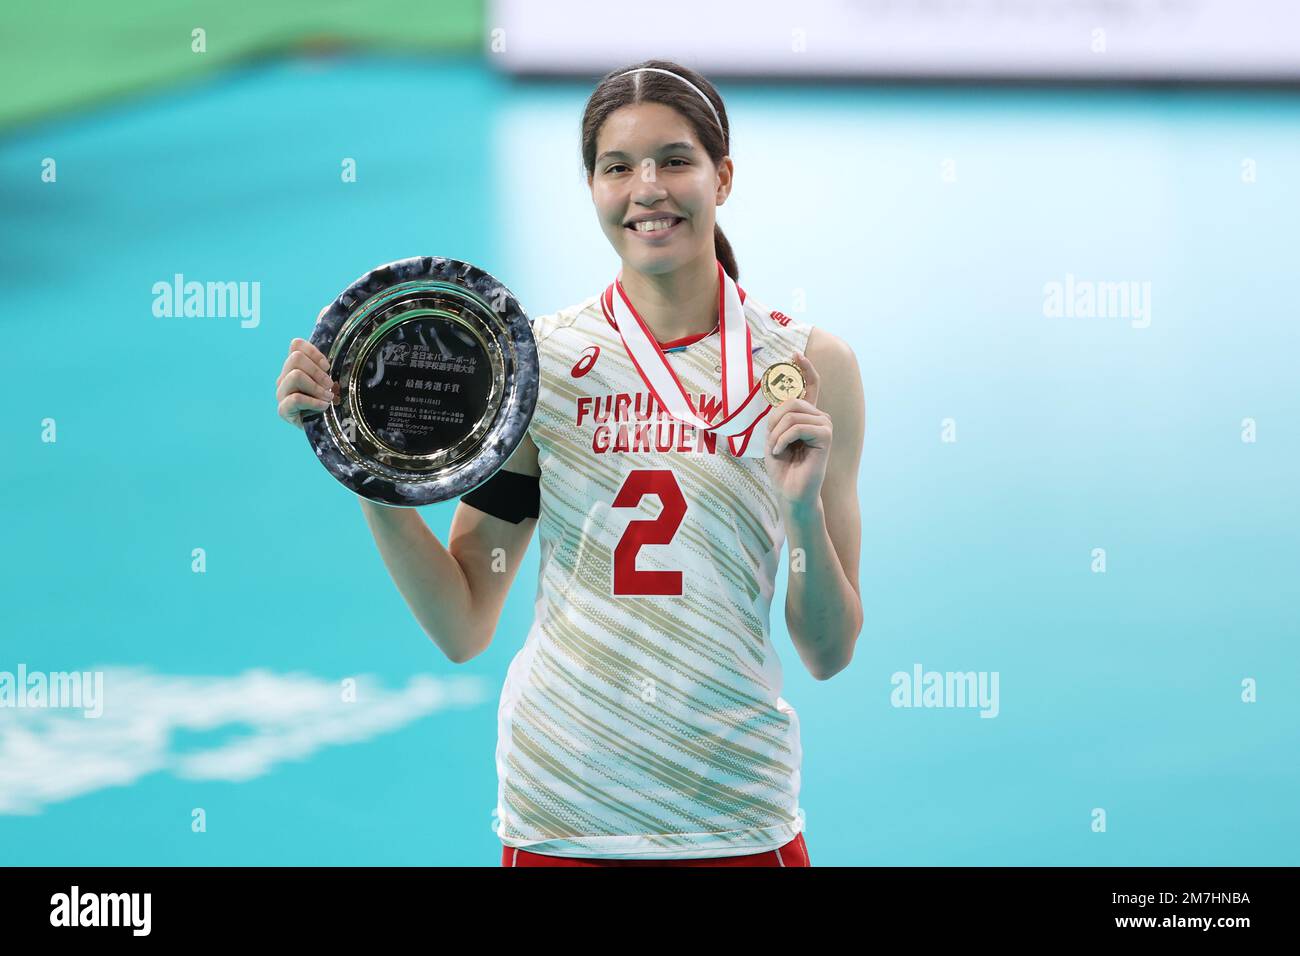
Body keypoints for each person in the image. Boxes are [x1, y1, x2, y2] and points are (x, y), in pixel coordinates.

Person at [275, 59, 865, 867]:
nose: (647, 189)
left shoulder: (805, 364)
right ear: (591, 188)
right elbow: (463, 619)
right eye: (617, 167)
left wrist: (799, 512)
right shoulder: (536, 365)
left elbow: (828, 652)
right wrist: (369, 469)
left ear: (722, 177)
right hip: (563, 809)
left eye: (675, 160)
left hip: (734, 811)